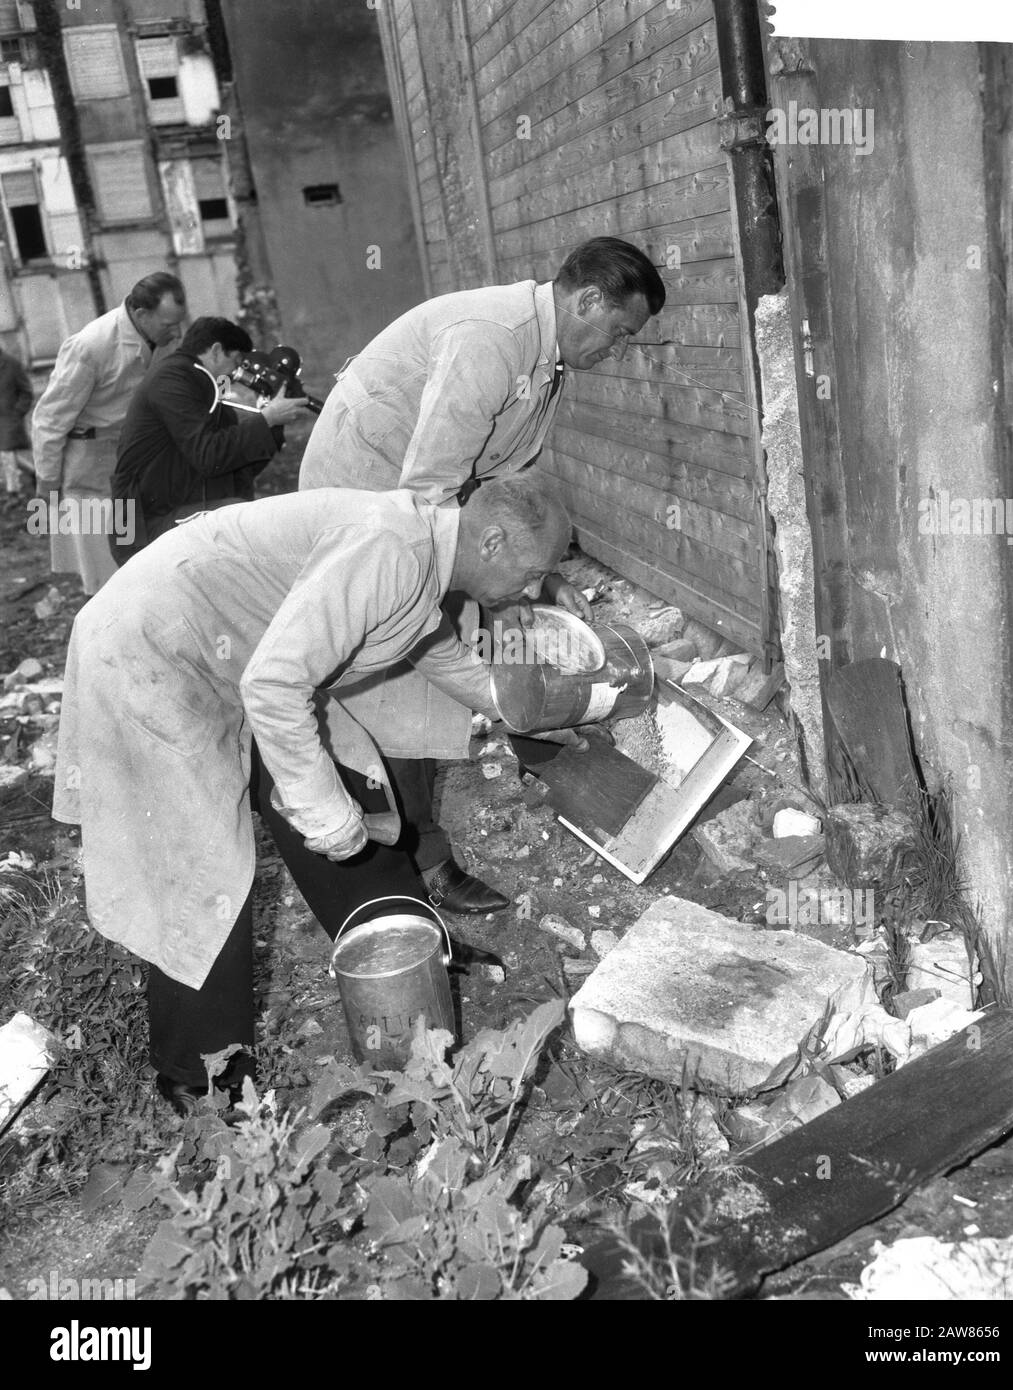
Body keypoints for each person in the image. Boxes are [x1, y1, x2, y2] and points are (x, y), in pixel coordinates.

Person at [52, 477, 571, 1114]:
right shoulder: (391, 548)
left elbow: (438, 650)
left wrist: (529, 708)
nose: (531, 591)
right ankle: (203, 1077)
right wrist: (328, 819)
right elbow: (274, 687)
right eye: (533, 573)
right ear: (492, 541)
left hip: (232, 657)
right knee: (203, 860)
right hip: (153, 649)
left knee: (340, 774)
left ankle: (408, 952)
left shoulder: (424, 559)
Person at [299, 236, 666, 914]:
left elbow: (501, 488)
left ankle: (532, 742)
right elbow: (427, 492)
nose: (618, 352)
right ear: (587, 300)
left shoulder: (547, 359)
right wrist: (495, 589)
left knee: (480, 624)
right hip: (367, 500)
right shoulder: (490, 341)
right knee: (395, 670)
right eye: (618, 333)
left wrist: (541, 576)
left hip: (418, 503)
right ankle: (407, 866)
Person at [31, 272, 187, 594]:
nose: (177, 332)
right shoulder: (92, 345)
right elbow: (50, 418)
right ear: (142, 314)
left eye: (178, 323)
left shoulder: (164, 340)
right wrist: (47, 483)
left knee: (140, 562)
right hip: (90, 464)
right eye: (168, 324)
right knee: (103, 575)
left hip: (136, 458)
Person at [109, 316, 310, 562]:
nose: (235, 373)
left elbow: (236, 469)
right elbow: (208, 456)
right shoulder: (171, 379)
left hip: (170, 510)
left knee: (252, 518)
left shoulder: (201, 392)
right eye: (235, 362)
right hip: (140, 528)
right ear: (215, 351)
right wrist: (266, 419)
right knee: (240, 522)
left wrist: (273, 423)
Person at [0, 344, 34, 493]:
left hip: (9, 418)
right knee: (6, 453)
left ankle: (13, 491)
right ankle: (34, 473)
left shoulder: (12, 364)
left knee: (6, 452)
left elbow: (27, 392)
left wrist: (18, 412)